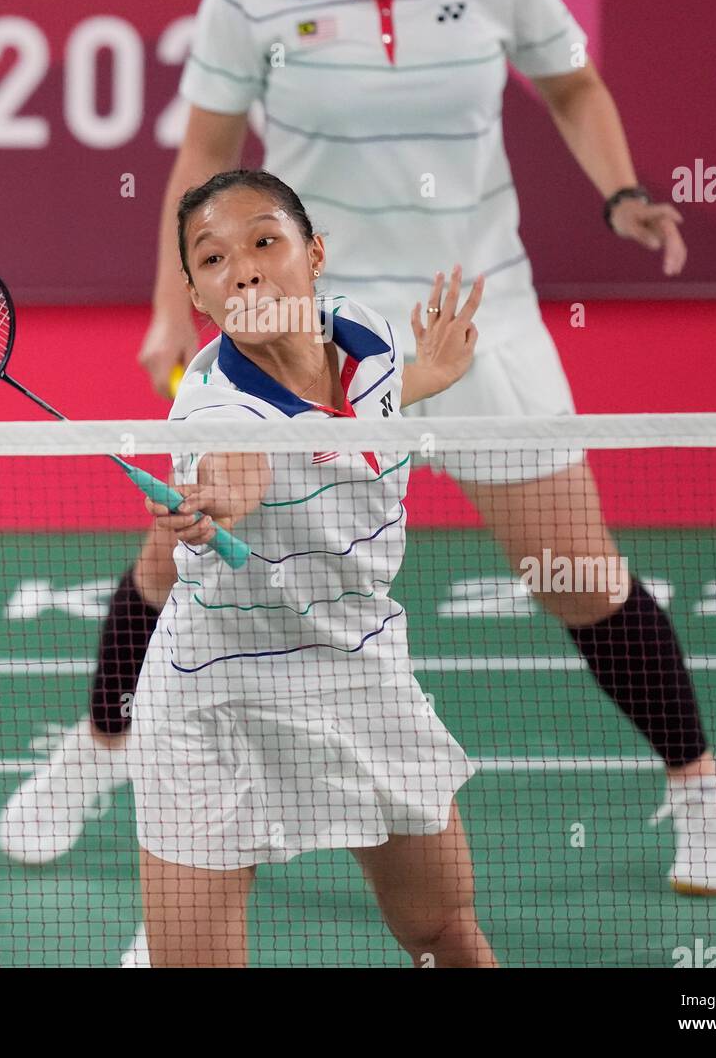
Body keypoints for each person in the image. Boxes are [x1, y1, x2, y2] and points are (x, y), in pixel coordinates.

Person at [0, 0, 716, 955]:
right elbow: (203, 157)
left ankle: (697, 783)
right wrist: (170, 309)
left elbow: (570, 86)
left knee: (575, 571)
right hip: (300, 319)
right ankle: (100, 748)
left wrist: (618, 192)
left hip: (474, 313)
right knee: (173, 557)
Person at [130, 168, 491, 967]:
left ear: (314, 253)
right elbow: (236, 466)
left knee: (443, 934)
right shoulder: (216, 408)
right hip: (216, 700)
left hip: (359, 671)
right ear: (197, 296)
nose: (245, 270)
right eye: (214, 259)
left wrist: (433, 371)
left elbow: (376, 399)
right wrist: (217, 503)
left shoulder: (361, 333)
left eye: (265, 241)